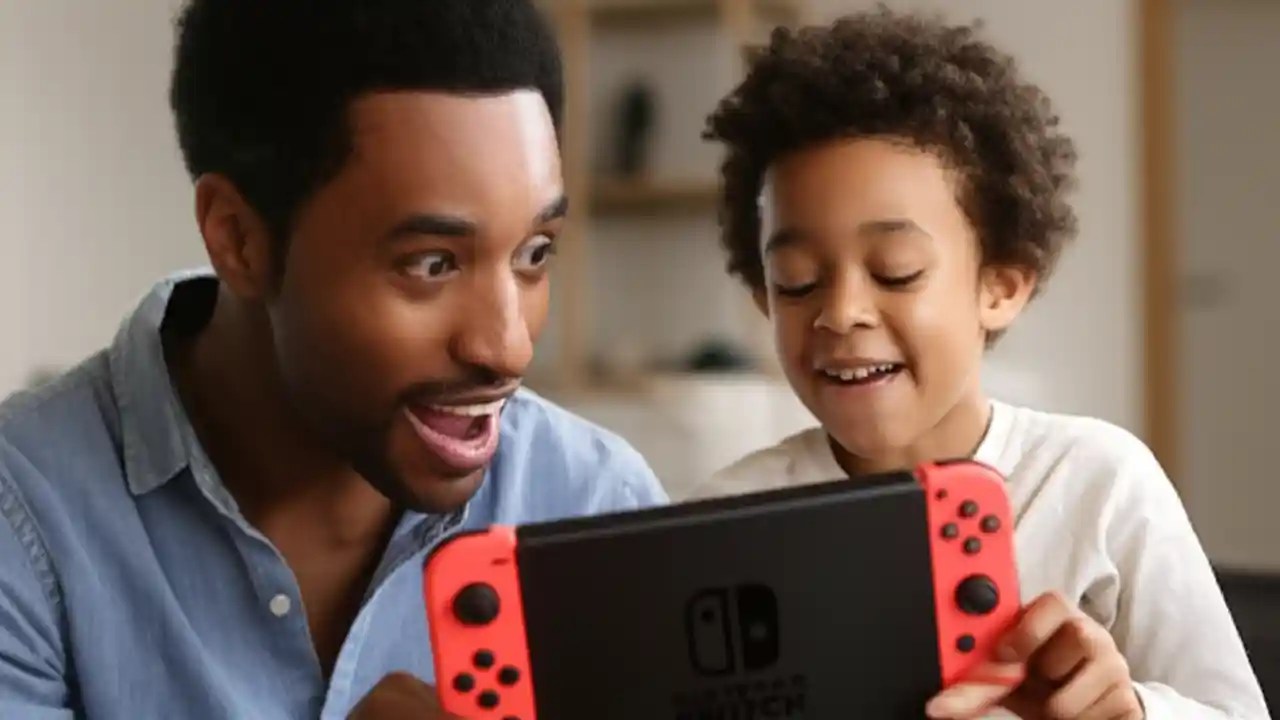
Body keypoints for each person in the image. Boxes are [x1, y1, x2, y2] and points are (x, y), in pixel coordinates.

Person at [0, 1, 667, 718]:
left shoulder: (597, 509)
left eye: (534, 254)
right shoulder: (26, 518)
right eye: (432, 263)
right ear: (240, 240)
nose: (508, 346)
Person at [693, 9, 1268, 719]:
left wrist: (1133, 712)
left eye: (896, 271)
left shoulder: (1096, 483)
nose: (840, 314)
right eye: (798, 281)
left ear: (1002, 284)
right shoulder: (724, 518)